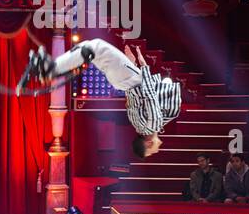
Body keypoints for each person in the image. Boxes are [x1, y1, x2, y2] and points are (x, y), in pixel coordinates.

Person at [24, 41, 180, 158]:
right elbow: (136, 99)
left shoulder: (152, 125)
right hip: (122, 81)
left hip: (129, 78)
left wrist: (143, 66)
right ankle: (51, 67)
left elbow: (150, 95)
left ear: (148, 143)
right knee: (91, 49)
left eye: (152, 152)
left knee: (96, 47)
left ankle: (51, 69)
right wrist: (133, 65)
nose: (157, 150)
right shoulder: (138, 125)